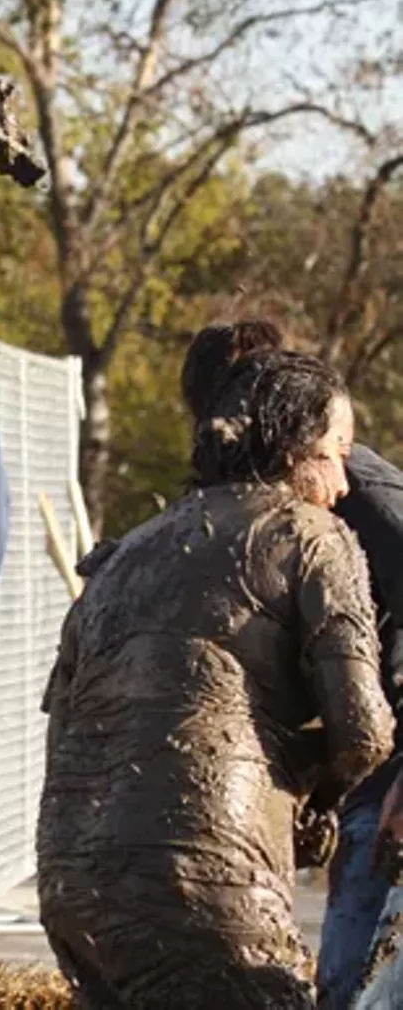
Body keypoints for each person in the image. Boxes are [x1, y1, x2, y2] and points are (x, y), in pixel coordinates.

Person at [37, 347, 395, 1008]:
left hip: (71, 881)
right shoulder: (312, 534)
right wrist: (317, 787)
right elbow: (365, 732)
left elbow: (65, 724)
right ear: (294, 447)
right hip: (204, 880)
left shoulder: (126, 551)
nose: (346, 481)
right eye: (336, 451)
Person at [181, 321, 403, 1009]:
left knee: (356, 987)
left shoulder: (361, 497)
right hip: (344, 778)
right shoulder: (237, 502)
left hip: (387, 783)